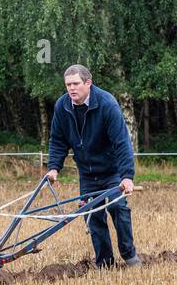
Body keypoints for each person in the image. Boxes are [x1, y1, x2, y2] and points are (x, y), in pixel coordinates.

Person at [44, 64, 140, 268]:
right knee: (92, 216)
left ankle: (129, 255)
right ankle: (105, 263)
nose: (71, 89)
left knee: (117, 207)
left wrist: (127, 176)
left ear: (88, 83)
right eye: (68, 84)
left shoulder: (107, 104)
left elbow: (122, 142)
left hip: (112, 170)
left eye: (76, 84)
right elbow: (58, 140)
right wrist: (53, 167)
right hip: (87, 173)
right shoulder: (62, 106)